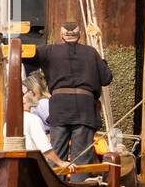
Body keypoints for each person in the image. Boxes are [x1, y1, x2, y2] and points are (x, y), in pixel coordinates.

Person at [31, 20, 112, 170]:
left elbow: (27, 55)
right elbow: (106, 79)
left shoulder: (49, 50)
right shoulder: (91, 52)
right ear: (79, 35)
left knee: (57, 154)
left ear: (61, 35)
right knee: (82, 157)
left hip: (60, 108)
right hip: (85, 108)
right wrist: (102, 62)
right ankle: (80, 186)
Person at [22, 83, 75, 176]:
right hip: (34, 171)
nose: (32, 92)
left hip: (23, 169)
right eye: (28, 91)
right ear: (22, 99)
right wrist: (61, 163)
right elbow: (45, 148)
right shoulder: (32, 119)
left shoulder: (8, 122)